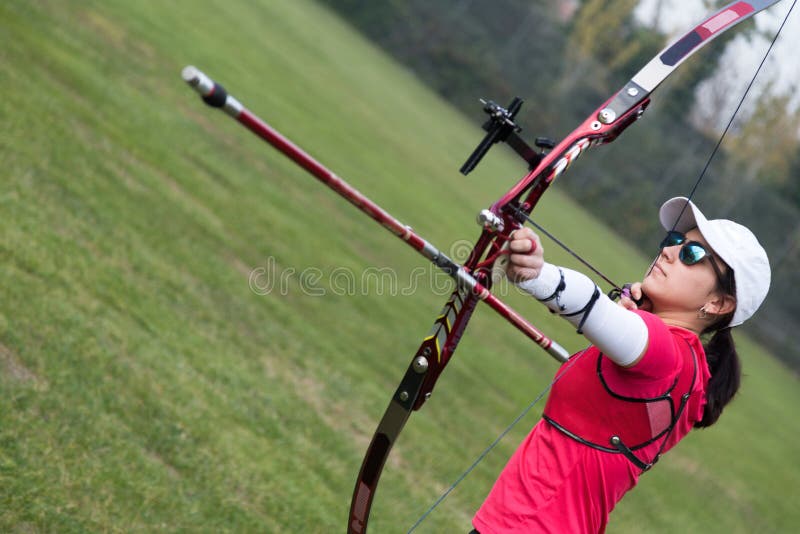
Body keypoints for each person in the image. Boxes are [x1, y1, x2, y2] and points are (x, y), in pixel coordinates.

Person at [471, 196, 770, 533]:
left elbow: (589, 303)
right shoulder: (681, 362)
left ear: (718, 303)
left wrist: (537, 274)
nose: (669, 251)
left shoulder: (670, 356)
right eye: (675, 240)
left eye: (692, 254)